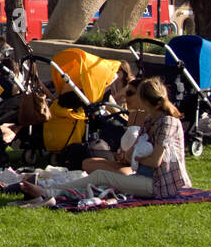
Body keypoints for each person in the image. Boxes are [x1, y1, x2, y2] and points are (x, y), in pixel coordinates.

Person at [20, 77, 192, 202]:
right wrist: (127, 155)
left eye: (135, 95)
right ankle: (49, 190)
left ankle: (47, 191)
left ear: (146, 101)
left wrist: (137, 158)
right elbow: (136, 149)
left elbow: (155, 161)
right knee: (99, 175)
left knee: (102, 177)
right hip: (145, 176)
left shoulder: (167, 122)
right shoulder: (149, 120)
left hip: (161, 185)